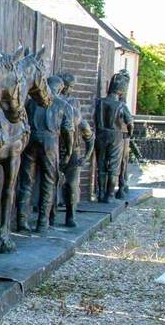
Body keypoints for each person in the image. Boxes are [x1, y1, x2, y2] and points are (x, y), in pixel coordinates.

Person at [16, 75, 74, 232]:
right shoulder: (63, 104)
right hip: (50, 141)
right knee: (48, 182)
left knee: (26, 182)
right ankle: (42, 223)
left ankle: (22, 221)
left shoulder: (31, 103)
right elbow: (68, 130)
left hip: (30, 141)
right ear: (60, 89)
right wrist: (68, 150)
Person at [50, 73, 94, 228]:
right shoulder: (55, 104)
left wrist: (86, 156)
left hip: (71, 151)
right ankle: (50, 216)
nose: (69, 89)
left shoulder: (74, 109)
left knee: (71, 184)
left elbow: (89, 136)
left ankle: (70, 215)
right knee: (50, 183)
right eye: (68, 86)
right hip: (53, 149)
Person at [95, 70, 134, 202]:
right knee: (114, 165)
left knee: (101, 164)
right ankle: (110, 195)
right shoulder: (121, 105)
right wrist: (130, 133)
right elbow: (130, 123)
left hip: (101, 135)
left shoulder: (100, 102)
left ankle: (100, 193)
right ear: (121, 91)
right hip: (116, 136)